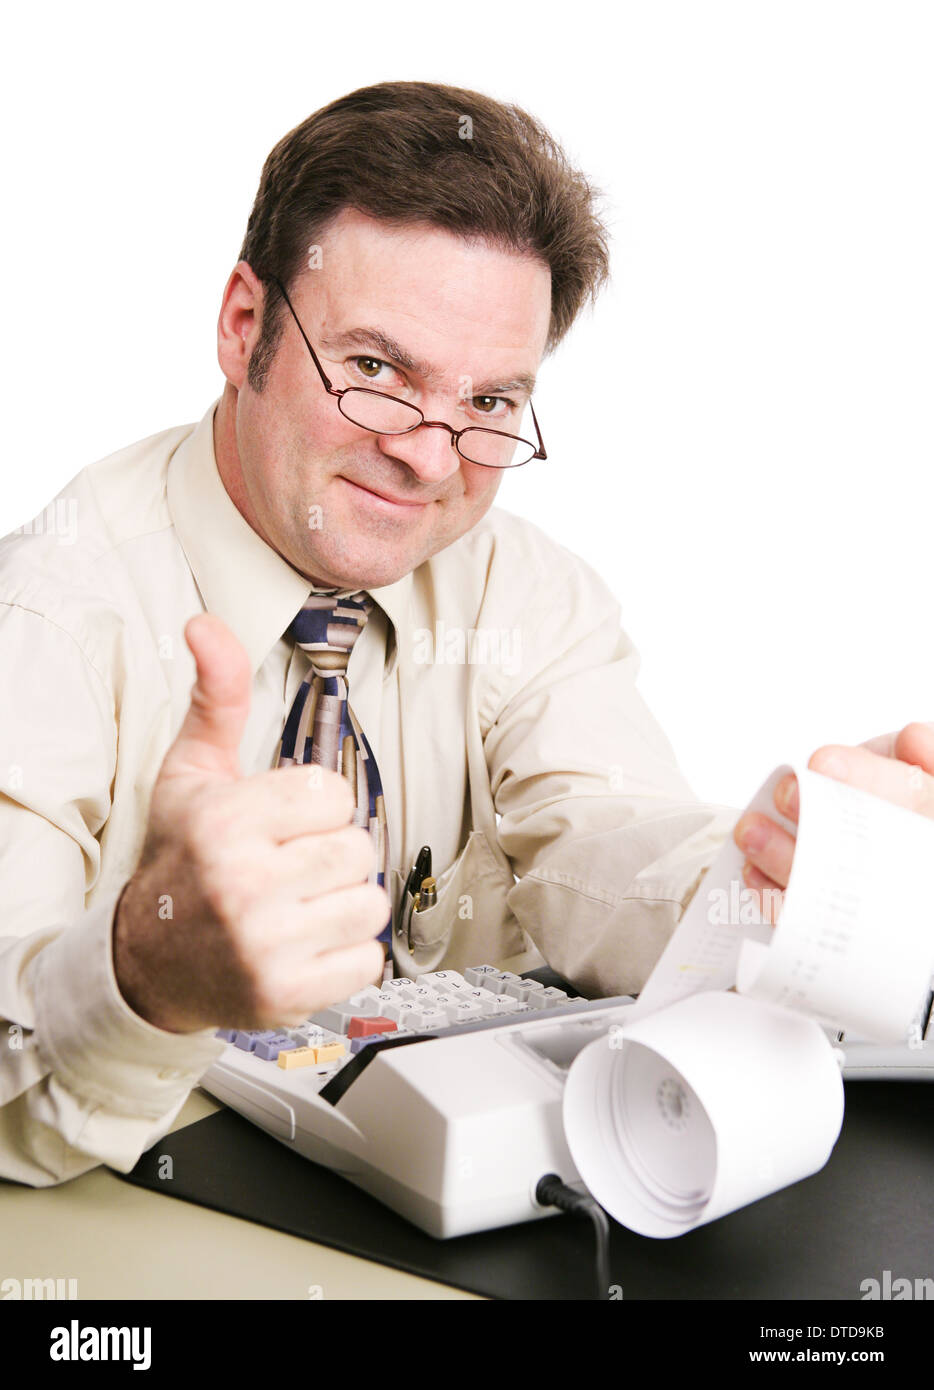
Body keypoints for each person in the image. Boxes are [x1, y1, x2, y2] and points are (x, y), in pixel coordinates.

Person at [1, 81, 931, 1190]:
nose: (430, 462)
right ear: (242, 324)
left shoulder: (524, 589)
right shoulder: (46, 619)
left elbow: (596, 842)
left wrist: (766, 875)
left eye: (490, 402)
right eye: (376, 370)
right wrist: (145, 969)